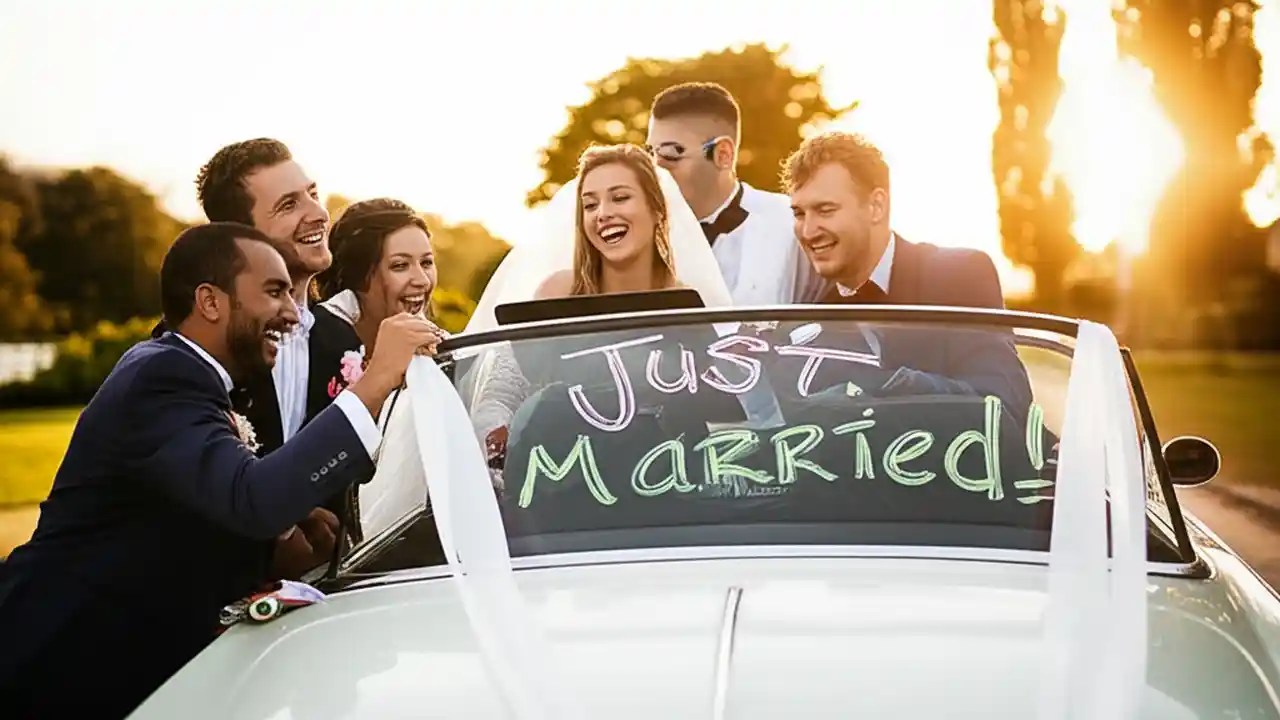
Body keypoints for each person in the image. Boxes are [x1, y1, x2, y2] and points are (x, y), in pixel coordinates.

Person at [0, 222, 440, 718]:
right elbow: (252, 500)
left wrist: (272, 544)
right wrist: (376, 381)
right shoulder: (161, 377)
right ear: (210, 302)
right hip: (64, 659)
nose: (293, 314)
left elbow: (198, 511)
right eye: (274, 292)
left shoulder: (201, 378)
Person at [463, 143, 733, 473]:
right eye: (590, 205)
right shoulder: (557, 293)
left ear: (657, 209)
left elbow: (718, 411)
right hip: (562, 474)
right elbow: (502, 393)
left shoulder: (686, 302)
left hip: (667, 477)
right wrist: (500, 457)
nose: (602, 213)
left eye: (620, 198)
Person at [781, 130, 1033, 414]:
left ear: (876, 206)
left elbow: (1004, 399)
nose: (808, 231)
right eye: (799, 214)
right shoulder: (807, 316)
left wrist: (885, 386)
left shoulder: (957, 274)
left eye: (825, 210)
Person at [315, 197, 448, 544]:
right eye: (401, 266)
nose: (421, 279)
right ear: (360, 275)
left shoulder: (438, 344)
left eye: (427, 262)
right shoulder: (319, 341)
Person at [646, 81, 826, 305]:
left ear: (723, 154)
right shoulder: (643, 235)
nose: (656, 168)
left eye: (671, 152)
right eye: (651, 152)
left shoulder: (791, 223)